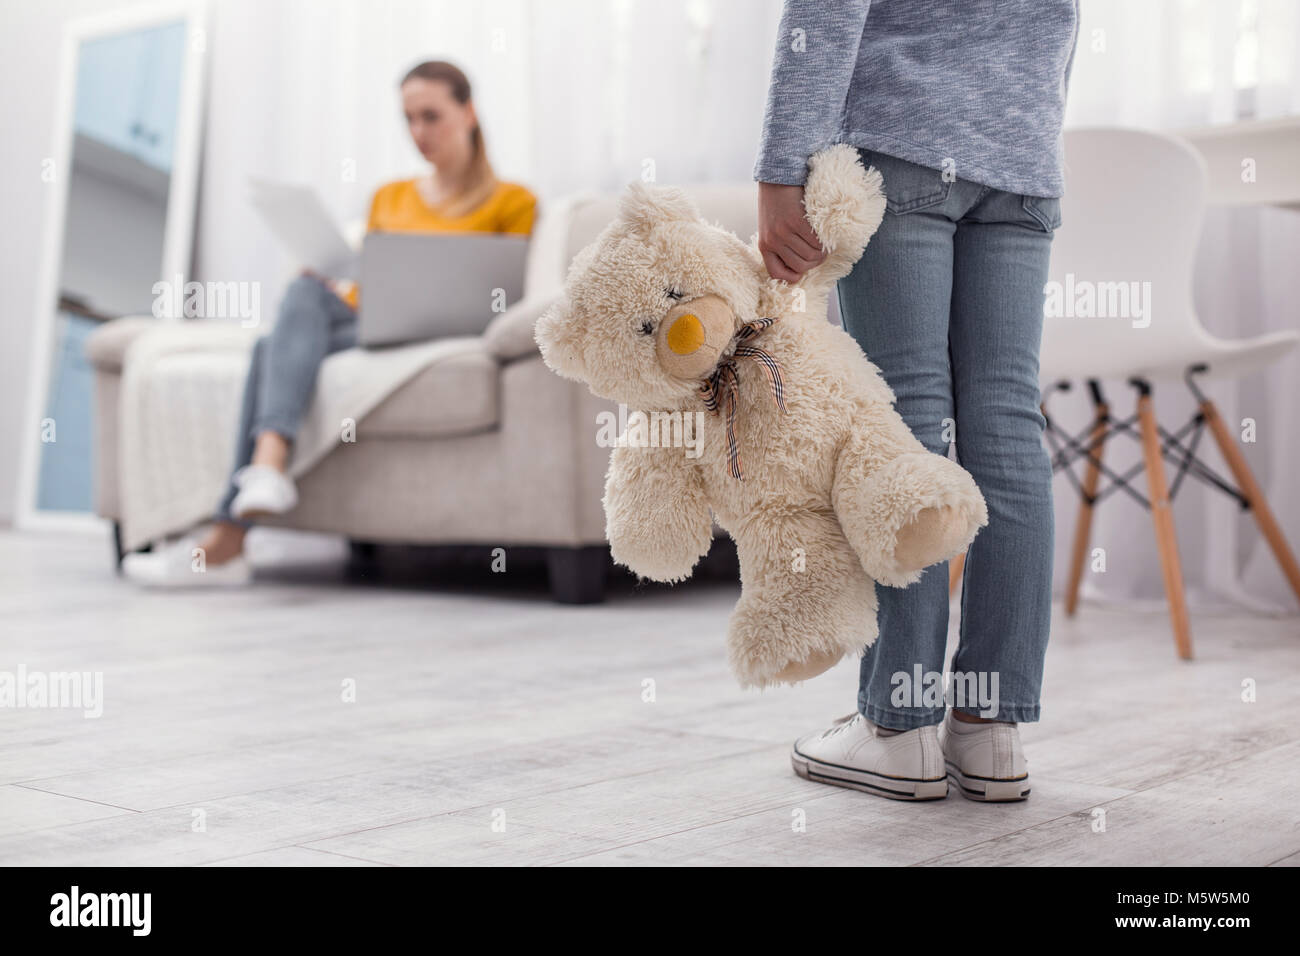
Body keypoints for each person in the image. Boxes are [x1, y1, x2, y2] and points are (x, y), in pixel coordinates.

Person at [755, 0, 1080, 801]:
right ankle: (990, 728)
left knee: (902, 427)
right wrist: (1021, 133)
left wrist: (779, 167)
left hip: (900, 146)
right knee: (1007, 423)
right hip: (1022, 157)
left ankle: (896, 729)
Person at [124, 60, 537, 587]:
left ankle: (234, 530)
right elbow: (370, 283)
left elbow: (508, 293)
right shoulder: (389, 196)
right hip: (371, 318)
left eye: (431, 116)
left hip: (445, 329)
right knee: (300, 297)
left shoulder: (513, 202)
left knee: (271, 348)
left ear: (469, 111)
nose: (419, 133)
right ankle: (259, 481)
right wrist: (333, 278)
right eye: (408, 118)